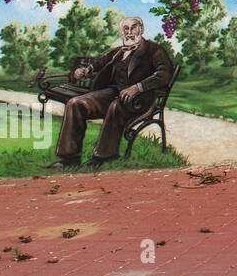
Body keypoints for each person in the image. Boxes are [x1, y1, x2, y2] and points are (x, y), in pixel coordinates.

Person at [47, 16, 174, 169]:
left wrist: (138, 87)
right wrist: (86, 70)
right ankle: (69, 158)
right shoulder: (119, 51)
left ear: (141, 29)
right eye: (126, 29)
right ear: (122, 32)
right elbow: (100, 60)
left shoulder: (153, 49)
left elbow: (164, 73)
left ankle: (102, 157)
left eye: (133, 27)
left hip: (139, 98)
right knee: (75, 103)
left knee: (116, 106)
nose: (129, 32)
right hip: (113, 92)